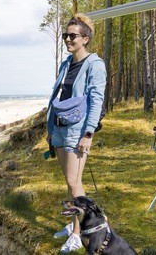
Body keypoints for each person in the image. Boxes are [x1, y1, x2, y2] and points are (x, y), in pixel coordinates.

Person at [46, 14, 107, 253]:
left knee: (75, 182)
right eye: (65, 36)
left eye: (72, 36)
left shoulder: (94, 64)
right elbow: (57, 97)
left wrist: (88, 133)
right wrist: (50, 128)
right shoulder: (66, 64)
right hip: (60, 127)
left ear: (86, 39)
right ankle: (74, 223)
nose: (68, 40)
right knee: (69, 182)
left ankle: (78, 233)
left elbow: (96, 100)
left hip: (77, 130)